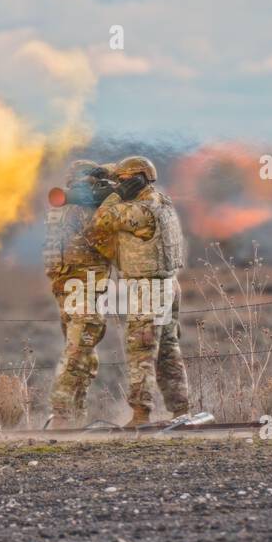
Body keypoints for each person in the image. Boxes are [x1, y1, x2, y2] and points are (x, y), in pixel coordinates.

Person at [88, 155, 190, 427]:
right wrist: (110, 177)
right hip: (167, 284)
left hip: (149, 288)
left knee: (141, 350)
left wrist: (113, 196)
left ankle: (140, 414)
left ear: (137, 180)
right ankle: (181, 411)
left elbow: (101, 220)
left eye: (124, 181)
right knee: (168, 350)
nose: (119, 185)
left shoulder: (140, 211)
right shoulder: (161, 201)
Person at [43, 160, 115, 426]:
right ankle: (61, 413)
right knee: (78, 348)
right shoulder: (83, 210)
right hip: (82, 286)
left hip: (65, 285)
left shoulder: (59, 209)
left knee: (83, 349)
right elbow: (107, 246)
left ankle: (76, 415)